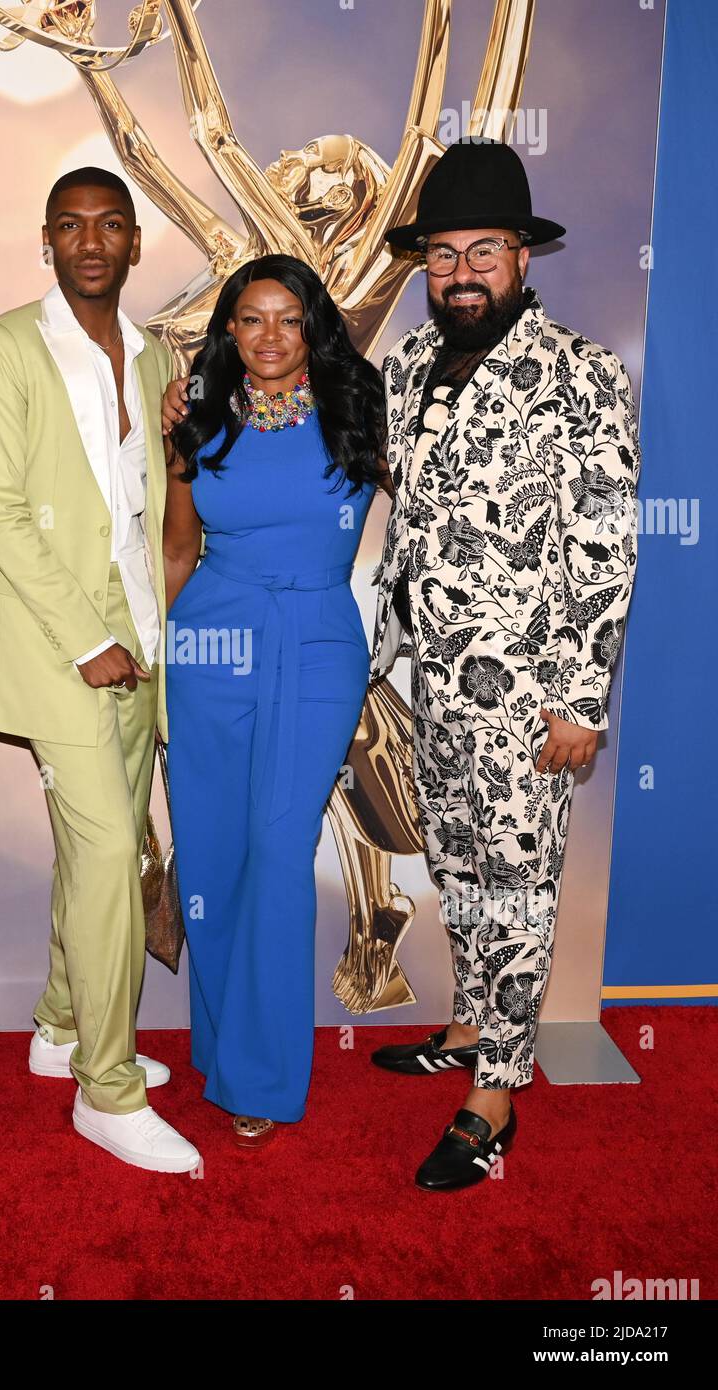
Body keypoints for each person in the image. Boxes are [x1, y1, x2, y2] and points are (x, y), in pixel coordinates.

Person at [367, 138, 640, 1190]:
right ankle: (473, 1021)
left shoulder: (579, 373)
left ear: (522, 257)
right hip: (429, 683)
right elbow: (401, 511)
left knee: (518, 885)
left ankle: (493, 1095)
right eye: (441, 255)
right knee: (457, 865)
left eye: (483, 251)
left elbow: (605, 541)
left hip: (530, 694)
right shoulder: (400, 367)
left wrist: (579, 701)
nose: (460, 273)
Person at [0, 168, 200, 1174]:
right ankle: (107, 1089)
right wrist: (82, 636)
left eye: (109, 225)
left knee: (96, 853)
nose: (90, 240)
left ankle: (60, 1027)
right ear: (44, 239)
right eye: (70, 225)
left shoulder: (151, 358)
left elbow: (149, 511)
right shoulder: (4, 345)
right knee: (107, 855)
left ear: (135, 244)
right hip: (56, 642)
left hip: (140, 640)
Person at [162, 254, 386, 1146]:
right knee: (212, 854)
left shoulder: (361, 408)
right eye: (249, 320)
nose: (267, 337)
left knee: (277, 845)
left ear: (313, 326)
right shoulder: (198, 419)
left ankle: (262, 1075)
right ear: (228, 331)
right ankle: (221, 1048)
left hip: (319, 642)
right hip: (209, 639)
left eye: (286, 319)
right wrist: (155, 655)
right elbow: (180, 550)